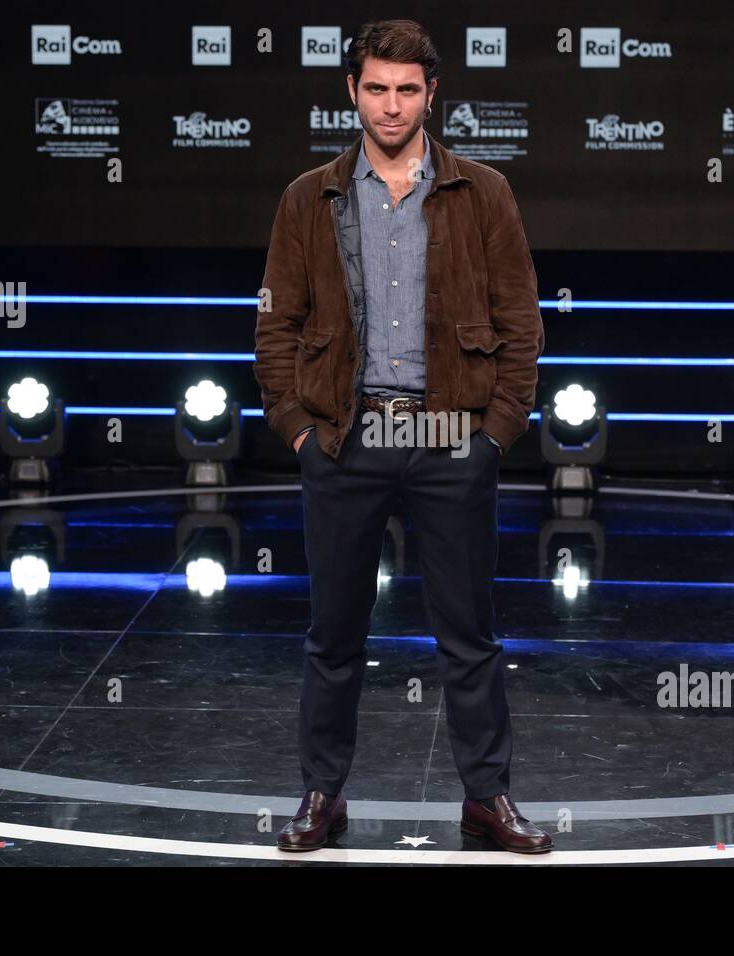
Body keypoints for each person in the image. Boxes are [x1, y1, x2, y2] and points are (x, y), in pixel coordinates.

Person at [253, 19, 548, 853]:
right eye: (376, 88)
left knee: (470, 636)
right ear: (352, 91)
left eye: (407, 89)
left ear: (431, 94)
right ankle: (321, 795)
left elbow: (520, 323)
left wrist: (494, 432)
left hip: (454, 439)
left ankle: (487, 799)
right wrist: (298, 431)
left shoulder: (483, 191)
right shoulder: (308, 196)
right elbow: (276, 325)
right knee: (333, 636)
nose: (391, 105)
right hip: (343, 442)